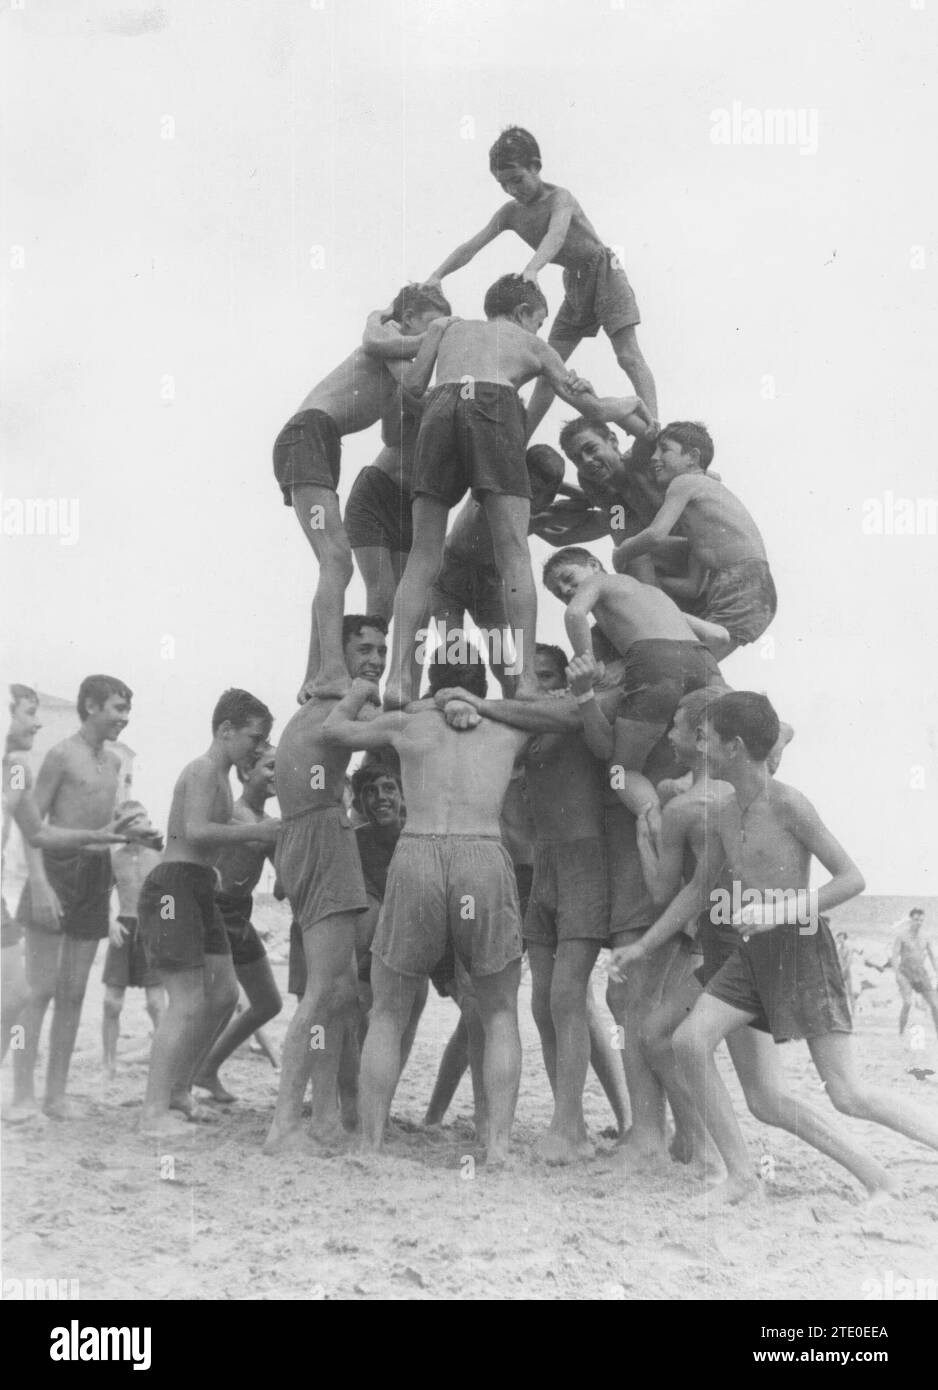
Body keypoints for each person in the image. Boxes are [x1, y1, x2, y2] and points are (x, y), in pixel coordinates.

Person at [671, 691, 938, 1205]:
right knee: (688, 1042)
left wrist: (777, 910)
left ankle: (886, 1177)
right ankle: (741, 1177)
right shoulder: (724, 812)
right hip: (750, 957)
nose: (697, 746)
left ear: (734, 746)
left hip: (800, 950)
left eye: (705, 737)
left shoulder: (789, 803)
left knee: (847, 1093)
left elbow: (851, 878)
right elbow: (701, 888)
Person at [385, 271, 654, 708]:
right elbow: (590, 406)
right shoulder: (534, 345)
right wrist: (628, 404)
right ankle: (526, 680)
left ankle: (397, 680)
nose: (539, 329)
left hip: (438, 409)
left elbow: (413, 386)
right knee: (515, 556)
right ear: (524, 312)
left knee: (422, 556)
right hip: (494, 404)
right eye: (539, 319)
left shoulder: (448, 327)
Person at [321, 660, 539, 1167]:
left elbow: (334, 730)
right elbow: (564, 714)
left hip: (418, 849)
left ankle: (370, 1145)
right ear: (481, 687)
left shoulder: (408, 722)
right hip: (482, 849)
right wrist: (480, 703)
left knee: (389, 1011)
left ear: (429, 685)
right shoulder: (510, 727)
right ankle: (499, 1148)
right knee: (500, 1010)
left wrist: (360, 688)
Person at [272, 283, 454, 702]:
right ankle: (332, 671)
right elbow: (412, 382)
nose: (435, 332)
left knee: (332, 562)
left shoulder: (394, 353)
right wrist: (440, 336)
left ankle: (316, 675)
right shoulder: (388, 339)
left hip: (318, 441)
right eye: (429, 323)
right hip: (308, 435)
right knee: (336, 560)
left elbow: (396, 422)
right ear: (409, 320)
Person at [426, 125, 657, 432]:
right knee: (549, 370)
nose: (512, 190)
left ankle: (654, 426)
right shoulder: (510, 213)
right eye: (503, 184)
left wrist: (533, 268)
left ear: (536, 166)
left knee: (627, 355)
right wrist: (437, 275)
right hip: (574, 282)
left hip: (604, 270)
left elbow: (556, 233)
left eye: (517, 179)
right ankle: (521, 442)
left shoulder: (561, 198)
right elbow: (472, 246)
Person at [263, 616, 388, 1153]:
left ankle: (323, 1118)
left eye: (383, 651)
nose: (377, 659)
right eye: (365, 649)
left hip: (312, 833)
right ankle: (285, 1124)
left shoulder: (315, 705)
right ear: (337, 654)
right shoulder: (346, 699)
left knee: (338, 993)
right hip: (322, 834)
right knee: (323, 995)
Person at [11, 675, 157, 1120]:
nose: (124, 718)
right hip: (55, 870)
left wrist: (136, 832)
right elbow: (31, 825)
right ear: (91, 707)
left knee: (74, 993)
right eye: (117, 708)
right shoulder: (59, 755)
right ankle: (21, 1096)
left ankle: (55, 1096)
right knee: (38, 992)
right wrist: (37, 883)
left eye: (127, 710)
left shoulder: (113, 763)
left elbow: (105, 822)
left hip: (95, 874)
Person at [137, 690, 279, 1138]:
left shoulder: (222, 778)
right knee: (186, 1001)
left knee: (221, 995)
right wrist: (258, 830)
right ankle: (152, 1112)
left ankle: (180, 1089)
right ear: (225, 730)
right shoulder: (201, 770)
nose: (259, 748)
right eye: (256, 738)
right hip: (174, 884)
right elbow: (195, 831)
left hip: (200, 886)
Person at [520, 644, 631, 1162]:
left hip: (586, 861)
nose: (540, 686)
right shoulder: (528, 723)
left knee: (567, 997)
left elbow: (604, 747)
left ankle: (570, 1130)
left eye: (548, 676)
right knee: (546, 1005)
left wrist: (581, 693)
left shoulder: (581, 711)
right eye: (530, 678)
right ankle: (575, 1123)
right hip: (544, 862)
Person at [542, 546, 726, 826]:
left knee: (621, 770)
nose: (565, 589)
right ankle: (692, 780)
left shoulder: (599, 581)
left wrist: (586, 662)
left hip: (653, 661)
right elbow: (719, 635)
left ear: (593, 564)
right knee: (718, 734)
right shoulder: (656, 596)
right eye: (558, 591)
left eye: (567, 578)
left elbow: (575, 614)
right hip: (702, 660)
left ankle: (658, 826)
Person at [610, 422, 777, 659]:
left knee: (687, 663)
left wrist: (622, 552)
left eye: (664, 449)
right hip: (750, 588)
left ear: (692, 457)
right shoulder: (704, 524)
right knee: (695, 664)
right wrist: (650, 582)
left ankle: (653, 617)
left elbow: (656, 534)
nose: (655, 457)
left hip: (741, 585)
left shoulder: (684, 482)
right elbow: (692, 586)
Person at [428, 445, 566, 694]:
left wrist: (603, 500)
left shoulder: (538, 518)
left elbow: (588, 516)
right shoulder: (492, 492)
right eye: (529, 489)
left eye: (541, 494)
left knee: (503, 660)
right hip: (449, 575)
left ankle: (513, 710)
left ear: (551, 496)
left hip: (488, 583)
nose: (531, 498)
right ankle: (449, 708)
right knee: (453, 652)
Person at [192, 744, 283, 1103]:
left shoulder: (268, 823)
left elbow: (281, 888)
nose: (278, 774)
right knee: (216, 1002)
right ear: (246, 773)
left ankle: (206, 1069)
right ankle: (179, 1082)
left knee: (268, 1003)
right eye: (270, 767)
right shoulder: (231, 812)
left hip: (240, 915)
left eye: (282, 768)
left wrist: (282, 842)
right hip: (215, 910)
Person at [101, 802, 165, 1079]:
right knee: (111, 1002)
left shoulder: (159, 856)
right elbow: (102, 894)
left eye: (142, 818)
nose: (138, 824)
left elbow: (170, 897)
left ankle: (164, 1063)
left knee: (155, 1003)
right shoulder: (114, 858)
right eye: (131, 820)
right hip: (124, 927)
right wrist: (110, 921)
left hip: (152, 930)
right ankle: (108, 1064)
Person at [890, 909, 938, 1039]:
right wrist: (897, 974)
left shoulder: (926, 936)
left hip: (921, 973)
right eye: (916, 919)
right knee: (907, 1003)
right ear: (910, 920)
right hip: (905, 973)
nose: (919, 922)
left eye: (921, 920)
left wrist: (936, 971)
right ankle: (901, 1033)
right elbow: (894, 956)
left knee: (934, 1004)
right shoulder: (901, 936)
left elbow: (933, 956)